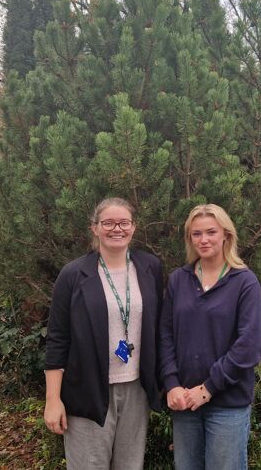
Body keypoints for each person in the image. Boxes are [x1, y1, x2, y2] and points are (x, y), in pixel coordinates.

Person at [44, 197, 163, 469]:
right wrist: (52, 400)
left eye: (124, 223)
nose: (116, 229)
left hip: (136, 390)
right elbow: (57, 339)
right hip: (87, 390)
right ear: (95, 228)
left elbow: (158, 328)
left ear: (134, 227)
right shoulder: (73, 274)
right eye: (108, 223)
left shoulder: (150, 268)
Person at [160, 203, 261, 470]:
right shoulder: (179, 280)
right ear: (189, 238)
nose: (203, 240)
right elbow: (166, 334)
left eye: (211, 232)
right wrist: (172, 383)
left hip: (227, 403)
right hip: (185, 401)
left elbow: (249, 346)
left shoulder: (244, 282)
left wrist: (208, 389)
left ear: (226, 235)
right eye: (196, 234)